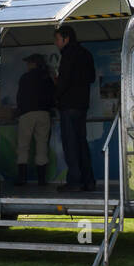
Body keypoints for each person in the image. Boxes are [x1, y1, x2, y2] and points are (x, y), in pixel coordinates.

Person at [53, 26, 96, 192]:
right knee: (81, 144)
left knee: (70, 145)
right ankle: (89, 181)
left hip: (69, 105)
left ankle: (74, 182)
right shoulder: (86, 54)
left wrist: (56, 97)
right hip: (82, 105)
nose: (56, 44)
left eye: (57, 40)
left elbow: (64, 81)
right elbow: (91, 77)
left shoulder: (68, 55)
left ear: (66, 38)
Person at [15, 53, 54, 188]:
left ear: (33, 64)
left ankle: (22, 179)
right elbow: (52, 95)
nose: (27, 65)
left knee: (23, 146)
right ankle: (42, 180)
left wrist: (19, 111)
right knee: (42, 145)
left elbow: (19, 97)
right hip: (44, 114)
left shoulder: (25, 77)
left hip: (27, 114)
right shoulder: (47, 77)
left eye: (28, 63)